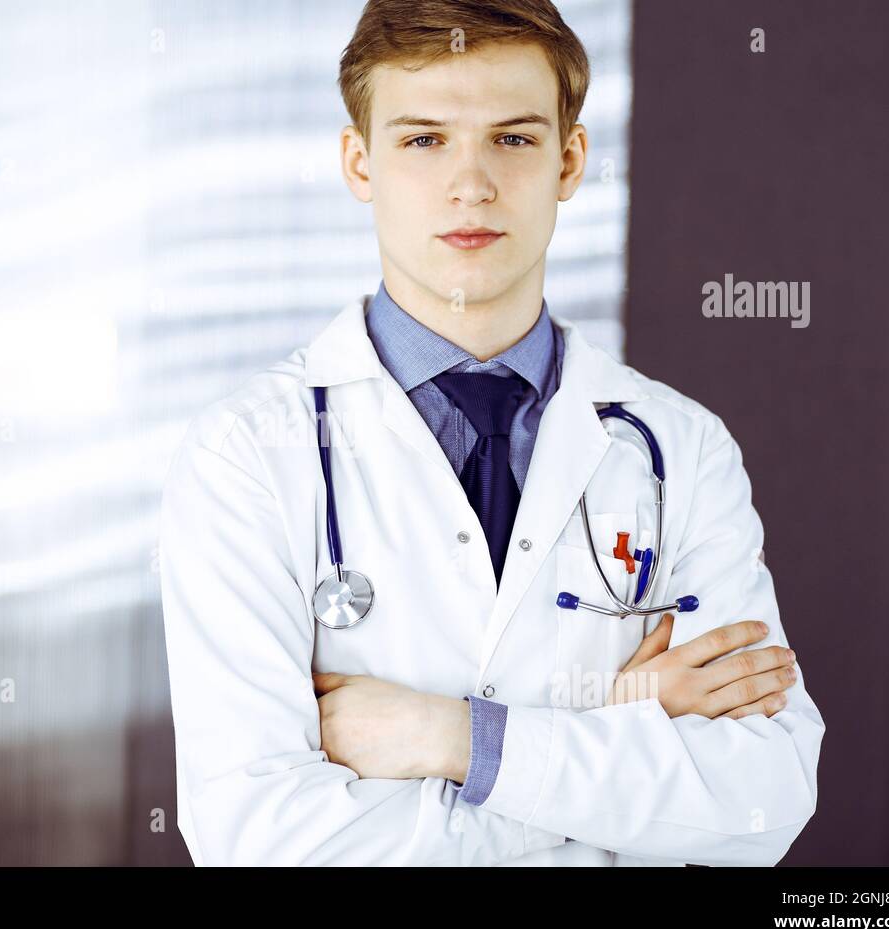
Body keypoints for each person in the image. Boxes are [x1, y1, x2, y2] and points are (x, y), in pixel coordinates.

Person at [158, 0, 823, 866]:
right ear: (360, 162)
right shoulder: (245, 455)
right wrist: (601, 743)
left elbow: (760, 802)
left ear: (569, 159)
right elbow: (261, 841)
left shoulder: (682, 449)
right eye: (423, 139)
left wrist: (458, 739)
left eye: (512, 138)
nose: (469, 184)